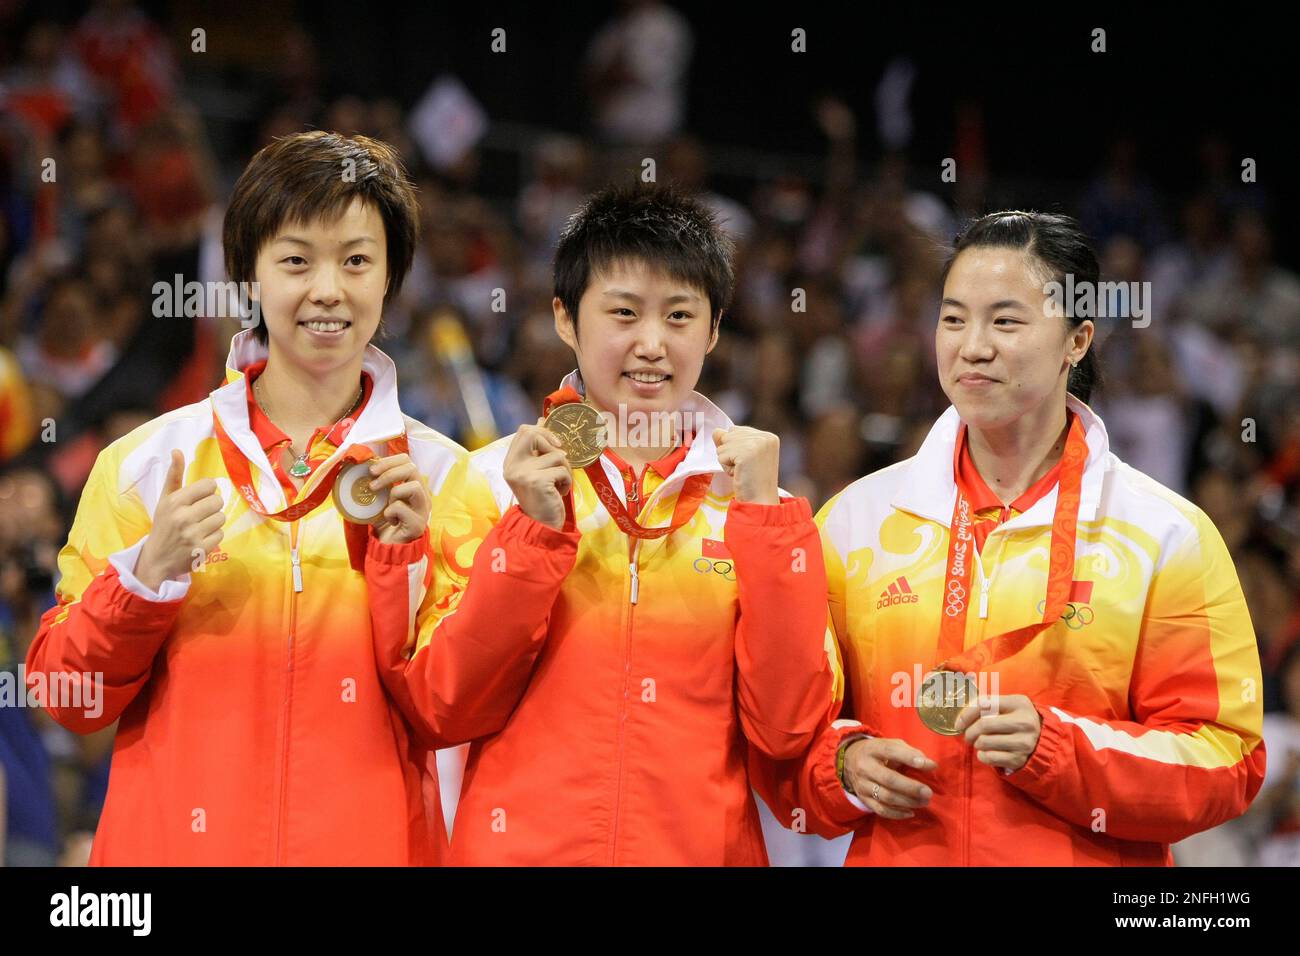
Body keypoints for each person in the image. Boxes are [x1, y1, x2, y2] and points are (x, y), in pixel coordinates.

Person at [24, 130, 491, 865]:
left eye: (357, 261)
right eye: (297, 260)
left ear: (392, 277)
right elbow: (67, 698)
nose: (328, 289)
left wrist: (406, 574)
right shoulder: (147, 465)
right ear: (248, 274)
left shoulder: (448, 482)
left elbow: (461, 709)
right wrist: (146, 578)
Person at [755, 211, 1267, 865]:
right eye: (953, 318)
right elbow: (789, 739)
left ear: (1076, 340)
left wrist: (1058, 750)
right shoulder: (855, 523)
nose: (972, 345)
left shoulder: (1163, 535)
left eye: (1005, 320)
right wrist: (843, 766)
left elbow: (1228, 757)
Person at [367, 183, 839, 865]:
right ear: (566, 318)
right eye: (623, 313)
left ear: (713, 328)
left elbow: (788, 729)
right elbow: (444, 707)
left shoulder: (759, 504)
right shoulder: (495, 483)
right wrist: (530, 535)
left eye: (680, 317)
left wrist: (767, 527)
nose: (652, 344)